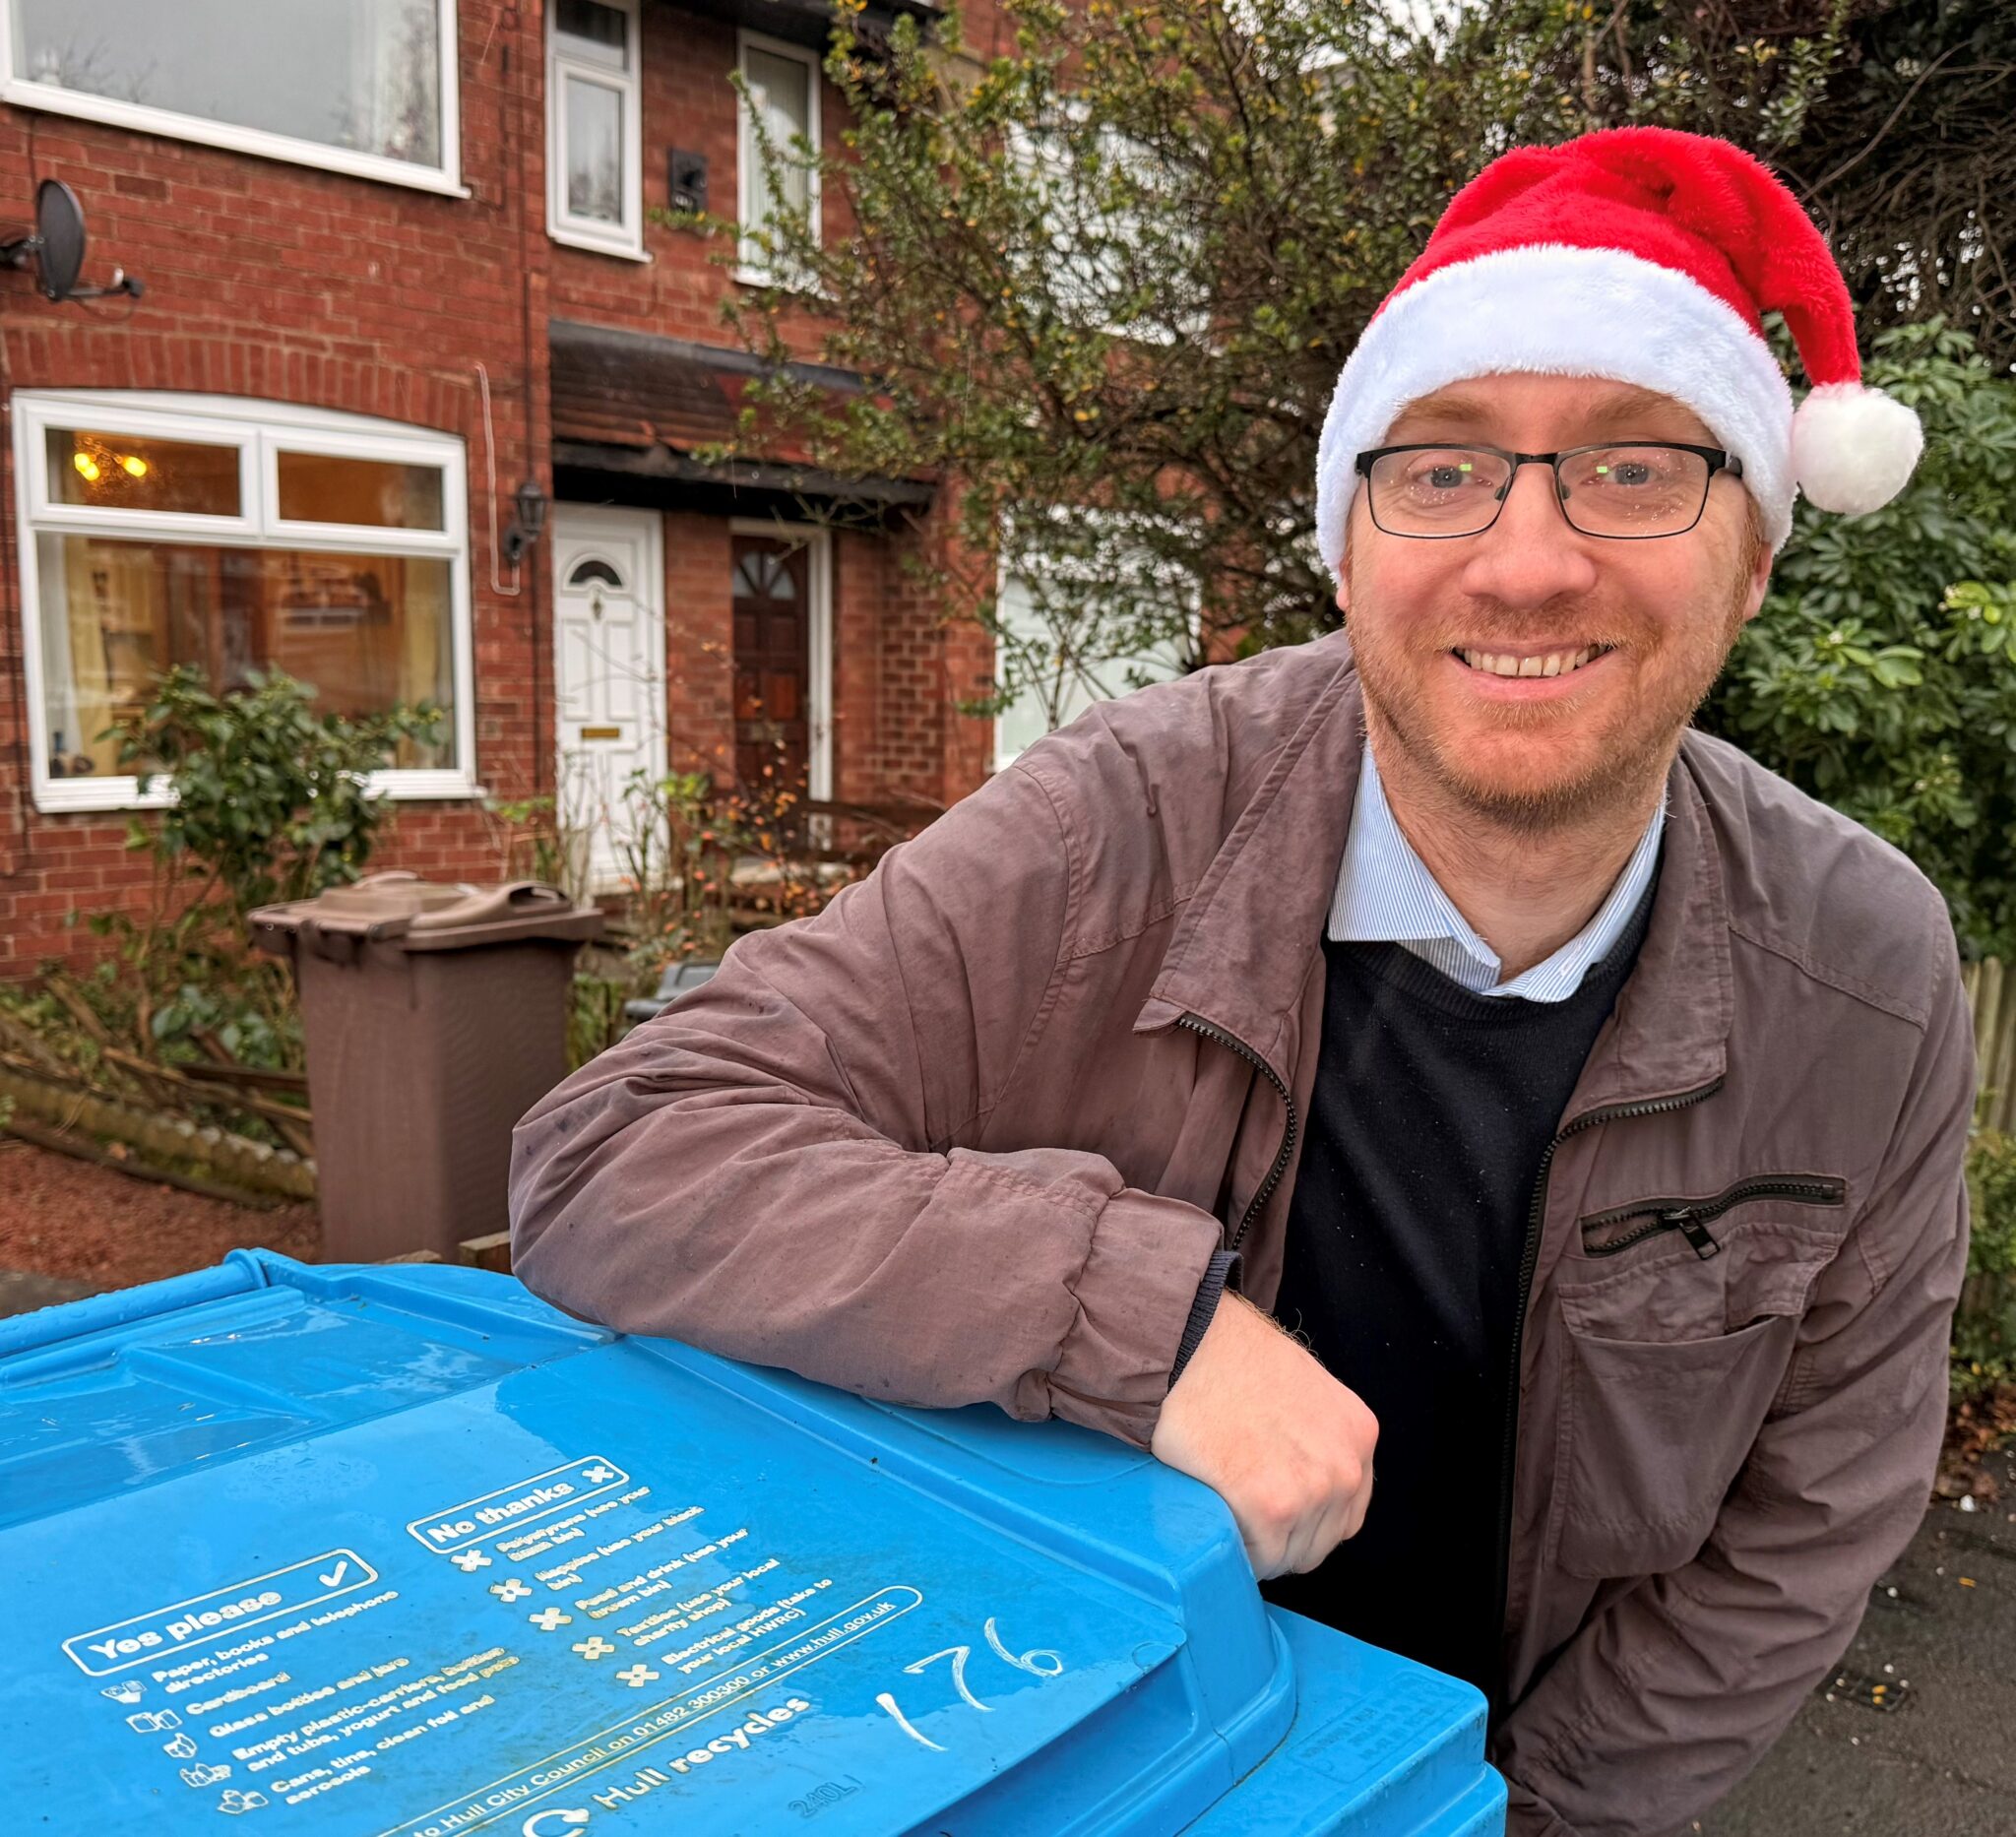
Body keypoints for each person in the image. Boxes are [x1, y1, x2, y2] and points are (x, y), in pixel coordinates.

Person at [509, 127, 1974, 1834]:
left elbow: (1811, 1514)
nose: (1525, 559)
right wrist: (1135, 1319)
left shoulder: (1865, 974)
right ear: (1351, 548)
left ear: (1759, 550)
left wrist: (1515, 1818)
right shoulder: (1114, 828)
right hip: (1096, 1778)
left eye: (1635, 466)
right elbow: (616, 1148)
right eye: (1441, 468)